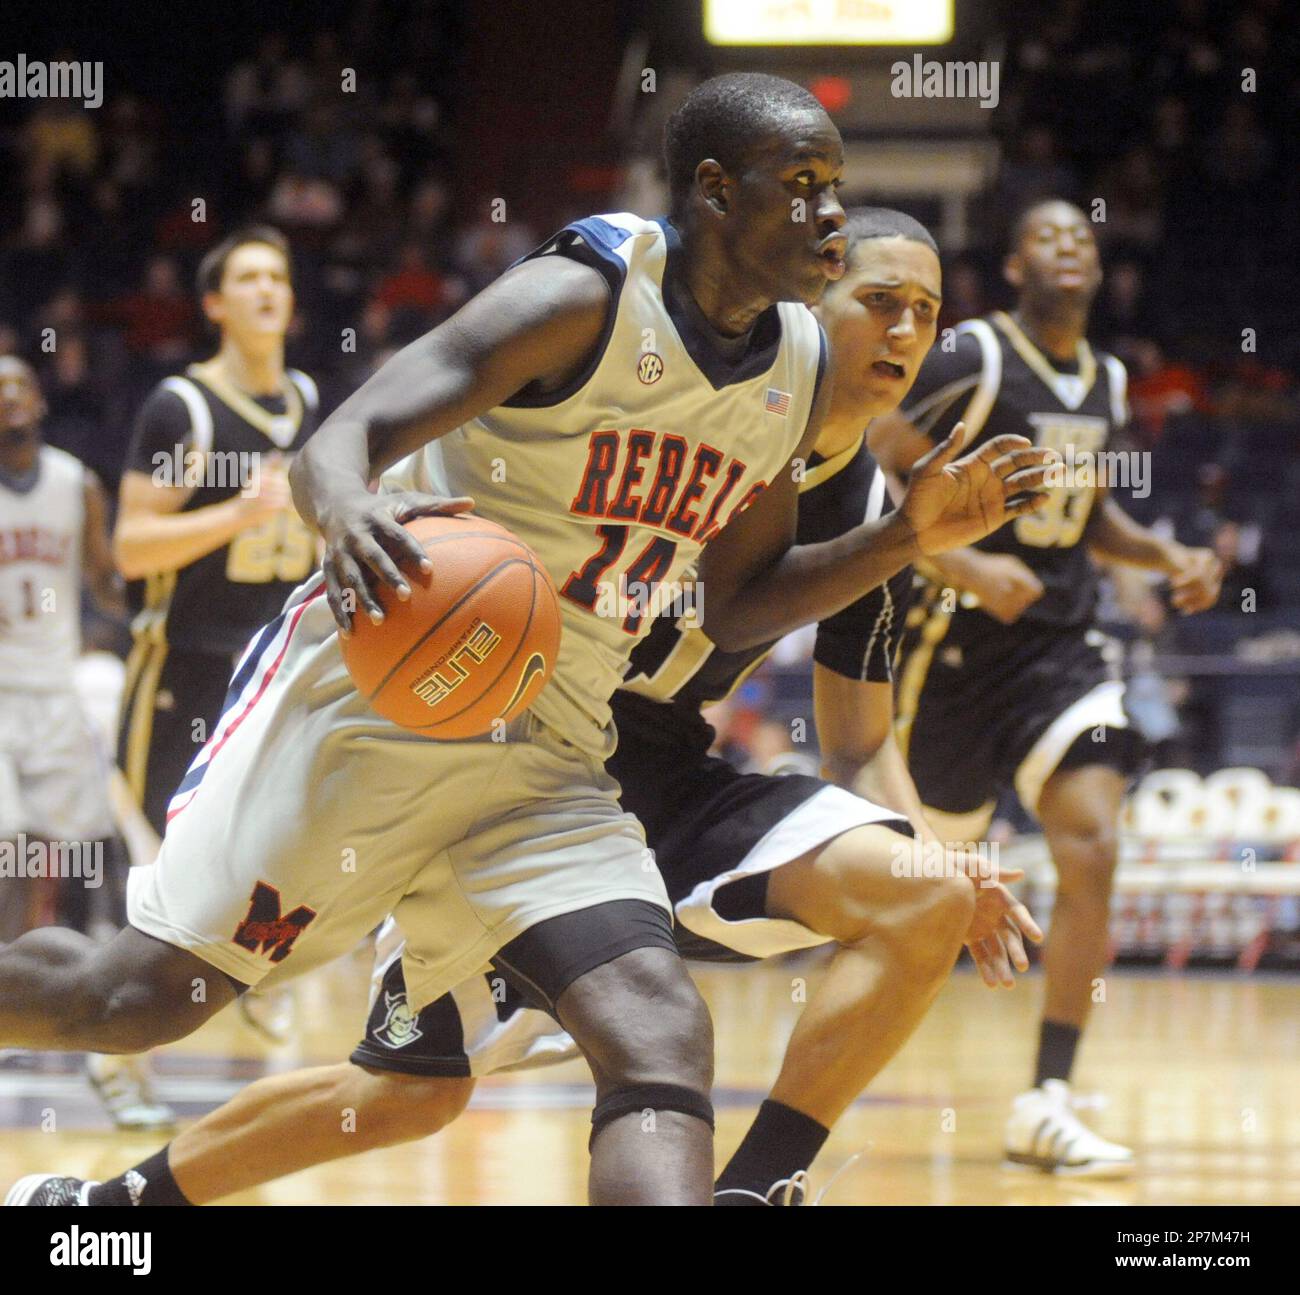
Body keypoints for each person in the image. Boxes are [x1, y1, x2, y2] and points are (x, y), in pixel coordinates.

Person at [0, 76, 1049, 1206]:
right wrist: (351, 510)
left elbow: (732, 604)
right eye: (800, 187)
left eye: (835, 189)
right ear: (711, 190)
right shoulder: (579, 297)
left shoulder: (792, 366)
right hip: (377, 698)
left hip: (550, 740)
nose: (830, 216)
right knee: (133, 1002)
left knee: (654, 1029)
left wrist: (903, 534)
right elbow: (337, 443)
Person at [871, 198, 1223, 1176]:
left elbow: (1090, 512)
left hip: (1063, 649)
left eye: (1082, 236)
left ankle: (1048, 1097)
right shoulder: (974, 354)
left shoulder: (1106, 378)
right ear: (1016, 264)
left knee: (1093, 840)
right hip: (949, 651)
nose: (1068, 247)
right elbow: (882, 449)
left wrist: (1163, 553)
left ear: (1099, 263)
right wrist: (966, 563)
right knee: (915, 900)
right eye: (1046, 236)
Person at [0, 356, 171, 1129]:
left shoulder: (76, 482)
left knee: (61, 853)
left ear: (39, 400)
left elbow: (105, 579)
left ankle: (51, 999)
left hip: (57, 687)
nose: (8, 397)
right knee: (7, 847)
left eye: (18, 385)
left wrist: (146, 611)